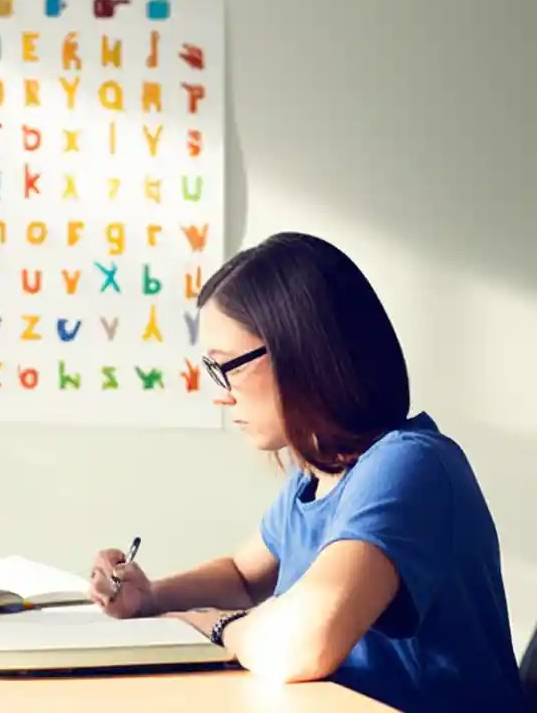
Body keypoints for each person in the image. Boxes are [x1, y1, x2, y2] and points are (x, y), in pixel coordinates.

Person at [89, 232, 526, 711]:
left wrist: (213, 625)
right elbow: (241, 576)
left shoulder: (409, 466)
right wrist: (152, 597)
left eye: (225, 368)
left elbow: (303, 645)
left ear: (301, 352)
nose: (219, 393)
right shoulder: (317, 475)